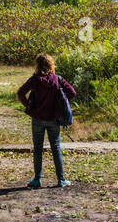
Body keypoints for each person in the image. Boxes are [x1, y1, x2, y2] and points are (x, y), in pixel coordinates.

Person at [16, 53, 76, 188]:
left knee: (38, 149)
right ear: (51, 65)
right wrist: (61, 104)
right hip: (54, 119)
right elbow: (72, 92)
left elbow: (20, 93)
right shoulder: (58, 79)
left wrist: (29, 106)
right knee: (56, 148)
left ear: (37, 65)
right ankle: (61, 179)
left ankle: (37, 180)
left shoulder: (35, 80)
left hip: (37, 118)